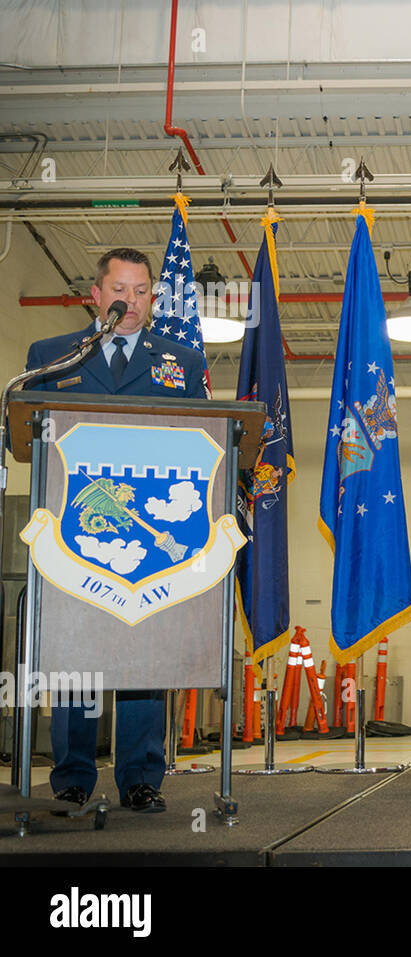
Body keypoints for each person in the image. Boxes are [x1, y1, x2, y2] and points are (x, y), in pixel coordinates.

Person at [23, 246, 208, 813]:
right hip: (70, 534)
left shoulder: (181, 362)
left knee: (143, 653)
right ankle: (73, 776)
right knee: (75, 652)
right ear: (96, 296)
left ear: (154, 299)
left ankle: (140, 777)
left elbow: (205, 437)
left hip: (149, 538)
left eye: (142, 291)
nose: (131, 301)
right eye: (120, 290)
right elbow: (27, 435)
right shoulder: (53, 357)